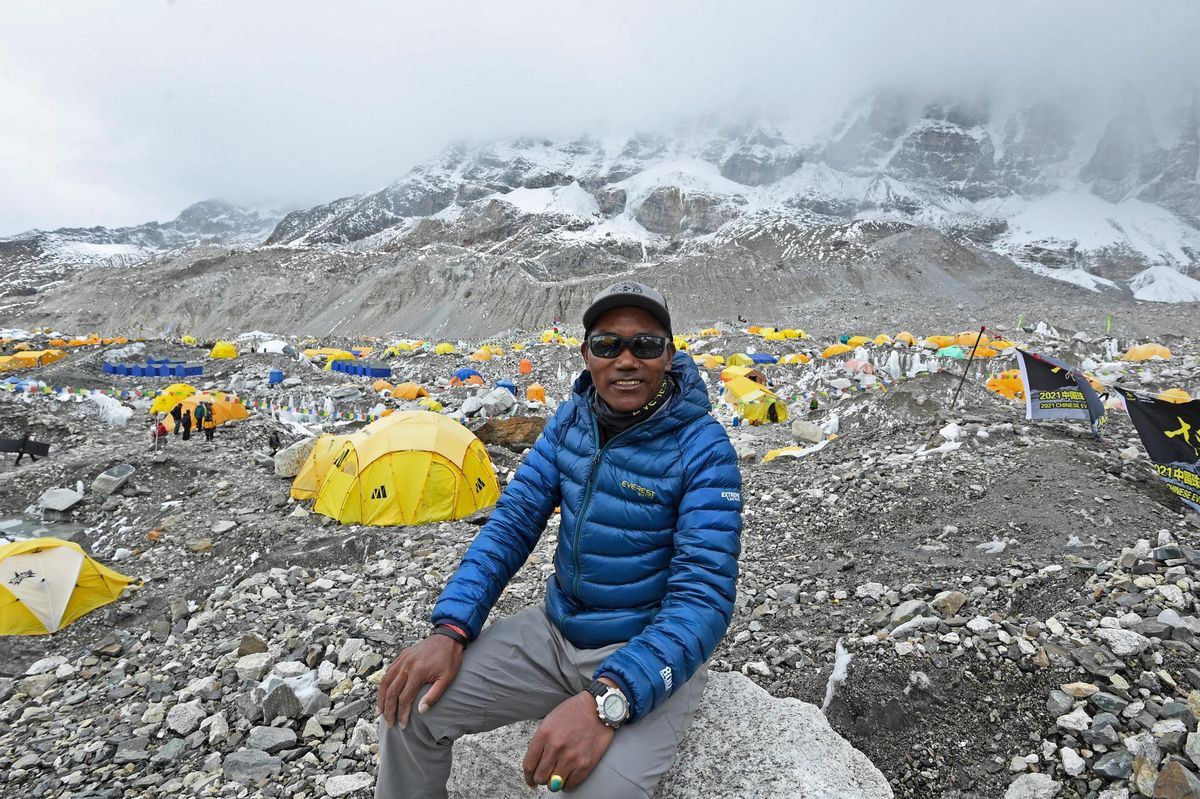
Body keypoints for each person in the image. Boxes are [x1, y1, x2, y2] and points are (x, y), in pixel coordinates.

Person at [376, 281, 742, 798]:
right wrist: (451, 628)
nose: (626, 360)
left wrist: (607, 700)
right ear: (586, 354)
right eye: (608, 345)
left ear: (669, 355)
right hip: (556, 633)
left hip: (646, 641)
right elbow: (513, 523)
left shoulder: (703, 447)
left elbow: (703, 596)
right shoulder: (571, 422)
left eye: (646, 345)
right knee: (409, 708)